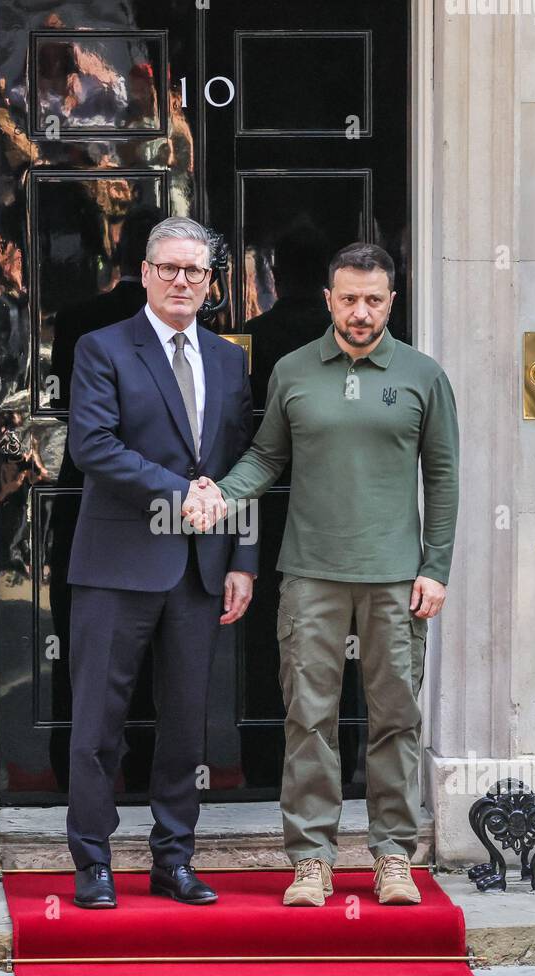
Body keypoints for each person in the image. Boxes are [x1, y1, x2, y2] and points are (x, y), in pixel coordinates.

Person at [185, 242, 460, 908]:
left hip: (396, 578)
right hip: (310, 576)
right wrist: (219, 493)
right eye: (349, 298)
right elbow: (265, 458)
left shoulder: (423, 375)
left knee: (395, 719)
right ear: (329, 299)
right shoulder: (293, 372)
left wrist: (436, 567)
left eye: (373, 299)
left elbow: (444, 474)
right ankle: (312, 858)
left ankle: (393, 855)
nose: (360, 312)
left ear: (391, 301)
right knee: (309, 720)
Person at [65, 216, 258, 909]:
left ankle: (173, 858)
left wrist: (245, 558)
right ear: (144, 272)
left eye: (195, 271)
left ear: (211, 283)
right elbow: (93, 445)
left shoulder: (232, 359)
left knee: (186, 724)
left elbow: (240, 465)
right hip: (117, 565)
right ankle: (92, 863)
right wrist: (182, 493)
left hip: (202, 572)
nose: (182, 281)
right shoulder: (102, 348)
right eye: (170, 268)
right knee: (97, 726)